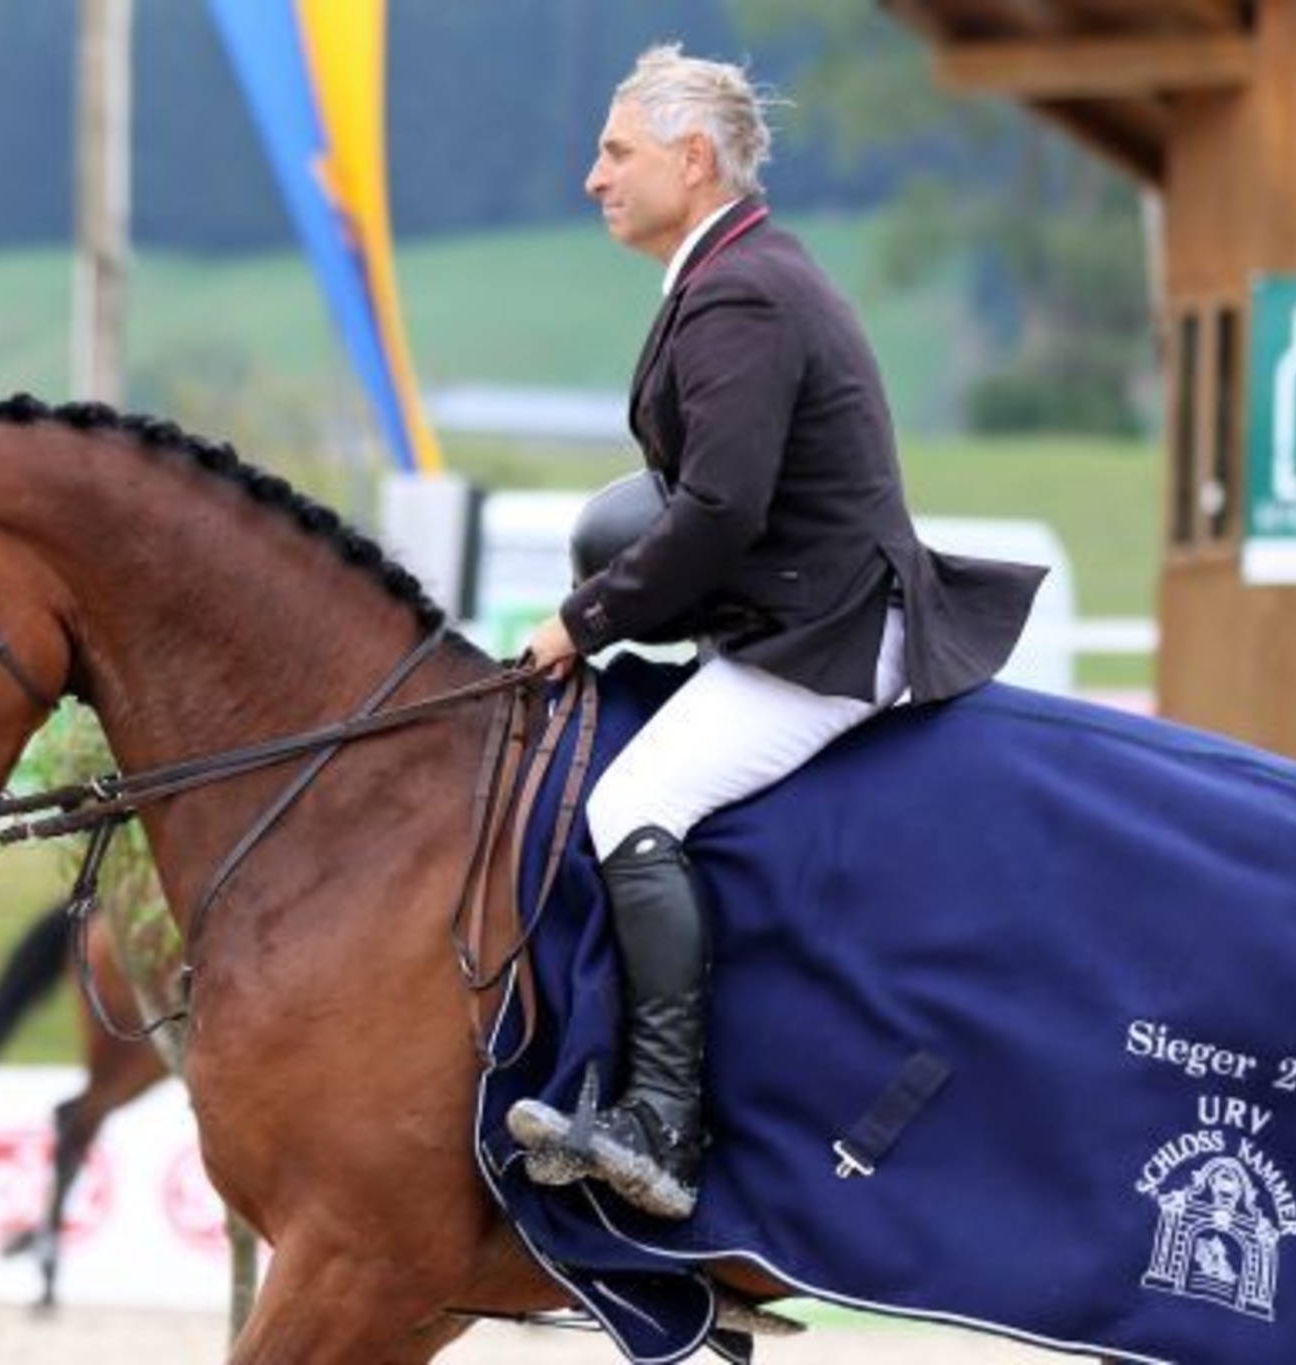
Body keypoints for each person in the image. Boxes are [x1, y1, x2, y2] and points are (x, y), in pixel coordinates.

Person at [505, 44, 1047, 1221]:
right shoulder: (733, 271)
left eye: (614, 152)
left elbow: (718, 509)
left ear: (691, 160)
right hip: (788, 612)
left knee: (625, 807)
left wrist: (577, 623)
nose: (592, 178)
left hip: (825, 636)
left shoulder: (739, 290)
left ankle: (660, 1125)